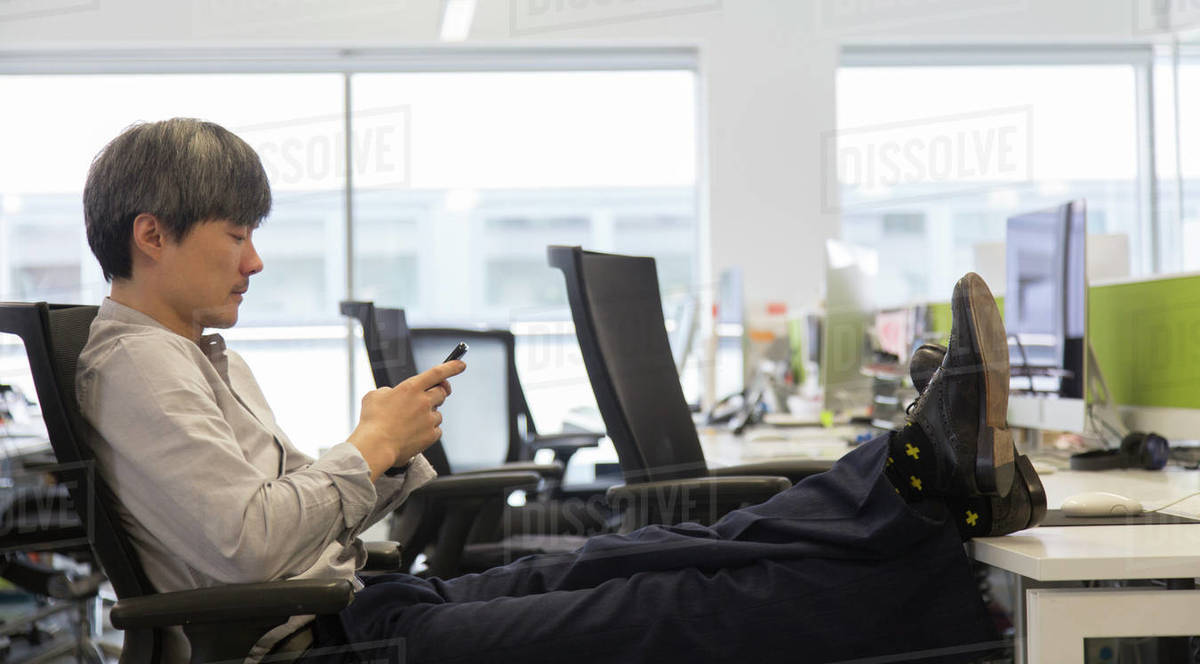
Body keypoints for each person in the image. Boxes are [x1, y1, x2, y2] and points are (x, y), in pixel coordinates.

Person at [77, 118, 1045, 664]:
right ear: (151, 234)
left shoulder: (203, 354)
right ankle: (926, 504)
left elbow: (291, 521)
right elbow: (243, 543)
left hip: (360, 606)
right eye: (233, 232)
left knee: (660, 549)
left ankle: (918, 474)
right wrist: (366, 448)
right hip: (310, 646)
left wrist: (386, 452)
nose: (255, 256)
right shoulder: (136, 366)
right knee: (662, 610)